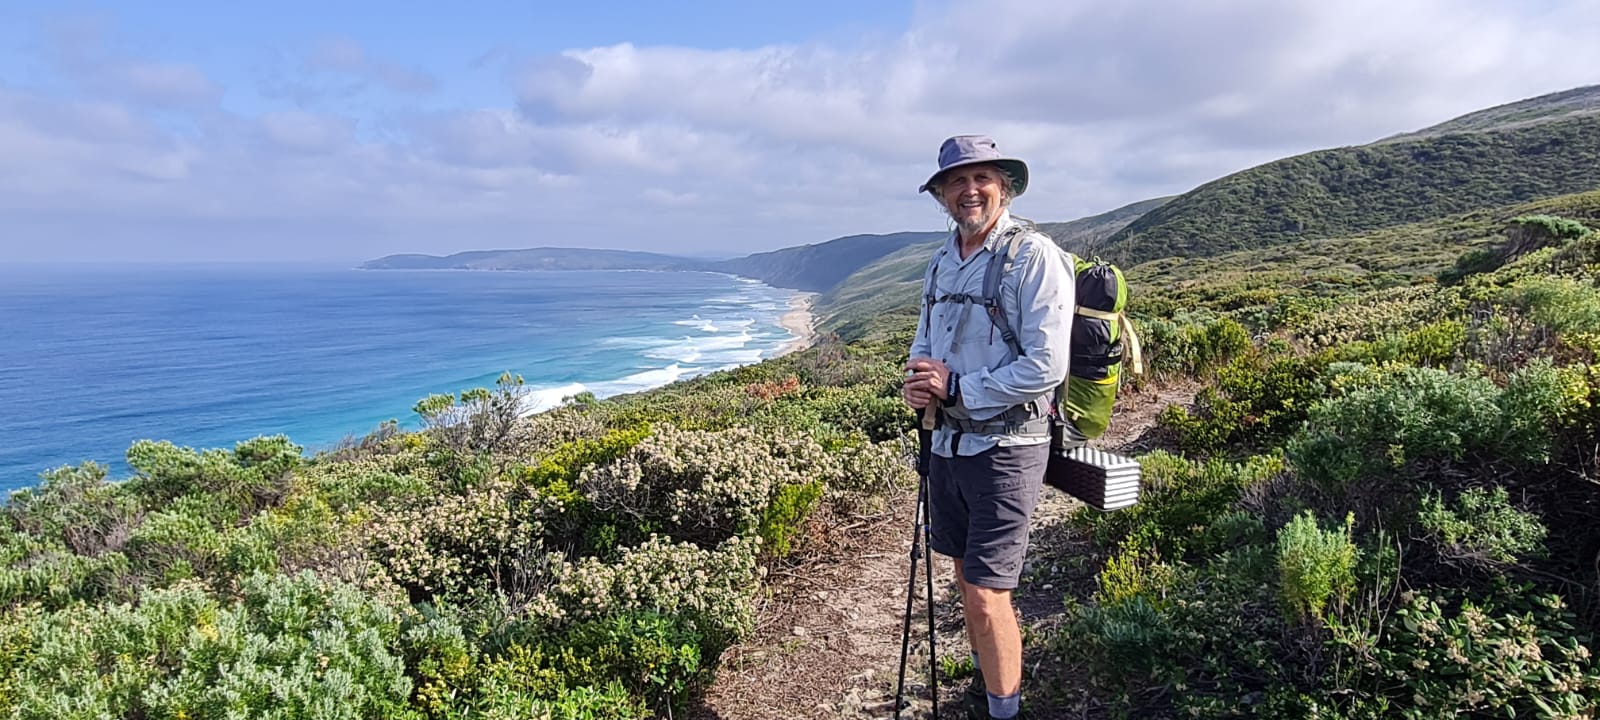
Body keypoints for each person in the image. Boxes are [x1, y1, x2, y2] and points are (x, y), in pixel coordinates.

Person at [901, 135, 1074, 720]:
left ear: (1005, 187)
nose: (969, 190)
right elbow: (925, 342)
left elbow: (1046, 367)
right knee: (963, 578)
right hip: (947, 442)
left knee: (986, 592)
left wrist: (957, 389)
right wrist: (918, 381)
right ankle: (987, 689)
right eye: (956, 181)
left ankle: (1004, 711)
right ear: (941, 195)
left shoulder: (1033, 256)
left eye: (982, 179)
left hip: (1007, 444)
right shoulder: (942, 259)